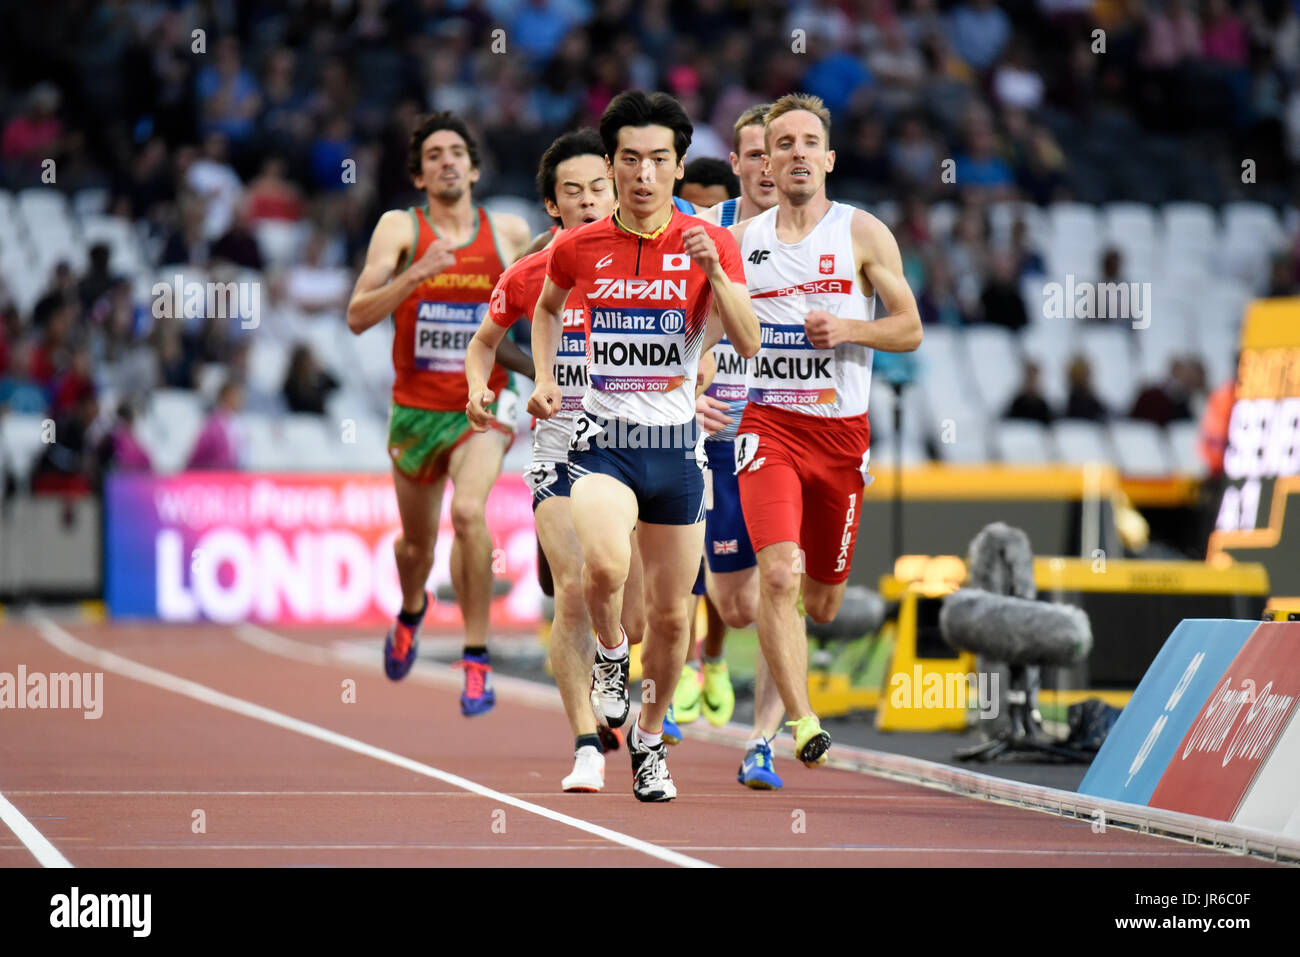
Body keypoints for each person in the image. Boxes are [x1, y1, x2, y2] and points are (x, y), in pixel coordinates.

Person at [528, 91, 759, 801]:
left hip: (677, 453)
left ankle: (651, 742)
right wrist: (543, 378)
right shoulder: (579, 243)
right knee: (601, 565)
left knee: (670, 616)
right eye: (629, 158)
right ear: (611, 163)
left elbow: (748, 342)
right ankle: (607, 655)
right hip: (604, 444)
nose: (644, 173)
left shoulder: (711, 240)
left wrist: (716, 272)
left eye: (659, 159)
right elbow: (544, 305)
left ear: (677, 164)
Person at [731, 93, 921, 786]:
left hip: (841, 438)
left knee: (819, 601)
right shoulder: (743, 244)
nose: (797, 152)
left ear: (829, 157)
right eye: (783, 144)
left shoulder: (862, 232)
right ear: (767, 163)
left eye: (810, 141)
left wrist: (850, 330)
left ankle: (781, 713)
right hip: (769, 425)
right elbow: (708, 330)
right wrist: (696, 387)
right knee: (776, 575)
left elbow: (910, 327)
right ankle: (796, 725)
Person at [465, 128, 645, 792]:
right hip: (562, 449)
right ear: (553, 207)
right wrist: (481, 391)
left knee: (636, 606)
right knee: (572, 589)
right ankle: (584, 744)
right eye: (574, 193)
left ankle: (618, 663)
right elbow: (485, 342)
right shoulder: (533, 272)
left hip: (638, 448)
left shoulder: (650, 262)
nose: (591, 201)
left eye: (600, 187)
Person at [346, 111, 532, 716]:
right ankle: (411, 609)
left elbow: (542, 304)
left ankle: (476, 658)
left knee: (473, 513)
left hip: (483, 401)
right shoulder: (400, 228)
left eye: (457, 151)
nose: (447, 160)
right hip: (415, 411)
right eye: (433, 155)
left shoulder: (506, 230)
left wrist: (550, 374)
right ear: (420, 175)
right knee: (416, 548)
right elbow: (357, 315)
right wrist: (416, 276)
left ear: (474, 167)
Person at [674, 104, 780, 741]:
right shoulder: (703, 231)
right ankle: (699, 662)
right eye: (755, 153)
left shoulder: (832, 232)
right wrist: (685, 392)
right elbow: (676, 323)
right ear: (735, 161)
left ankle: (768, 737)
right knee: (734, 602)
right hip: (718, 436)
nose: (769, 165)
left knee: (782, 579)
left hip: (793, 432)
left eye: (779, 150)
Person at [186, 379, 246, 470]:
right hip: (215, 475)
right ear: (225, 397)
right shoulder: (213, 425)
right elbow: (199, 453)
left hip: (234, 475)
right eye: (235, 396)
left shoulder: (239, 424)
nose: (239, 401)